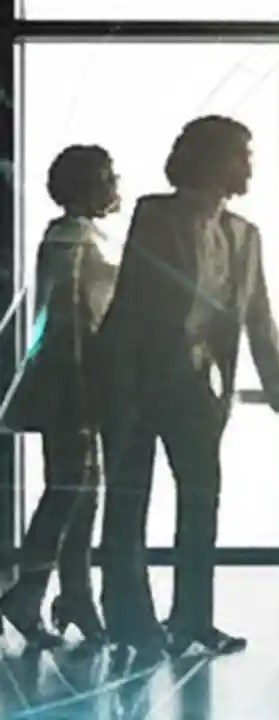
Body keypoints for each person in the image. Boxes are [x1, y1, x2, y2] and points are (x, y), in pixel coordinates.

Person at [96, 116, 279, 658]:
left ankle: (192, 620)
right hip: (132, 381)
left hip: (198, 386)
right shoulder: (154, 214)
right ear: (211, 159)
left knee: (201, 503)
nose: (248, 166)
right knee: (128, 503)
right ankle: (129, 622)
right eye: (240, 155)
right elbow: (141, 300)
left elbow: (260, 316)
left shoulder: (245, 235)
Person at [0, 146, 121, 648]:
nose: (116, 185)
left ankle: (73, 596)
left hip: (72, 384)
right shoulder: (73, 239)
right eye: (109, 177)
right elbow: (71, 323)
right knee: (70, 492)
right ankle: (34, 595)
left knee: (80, 493)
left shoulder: (75, 236)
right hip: (73, 386)